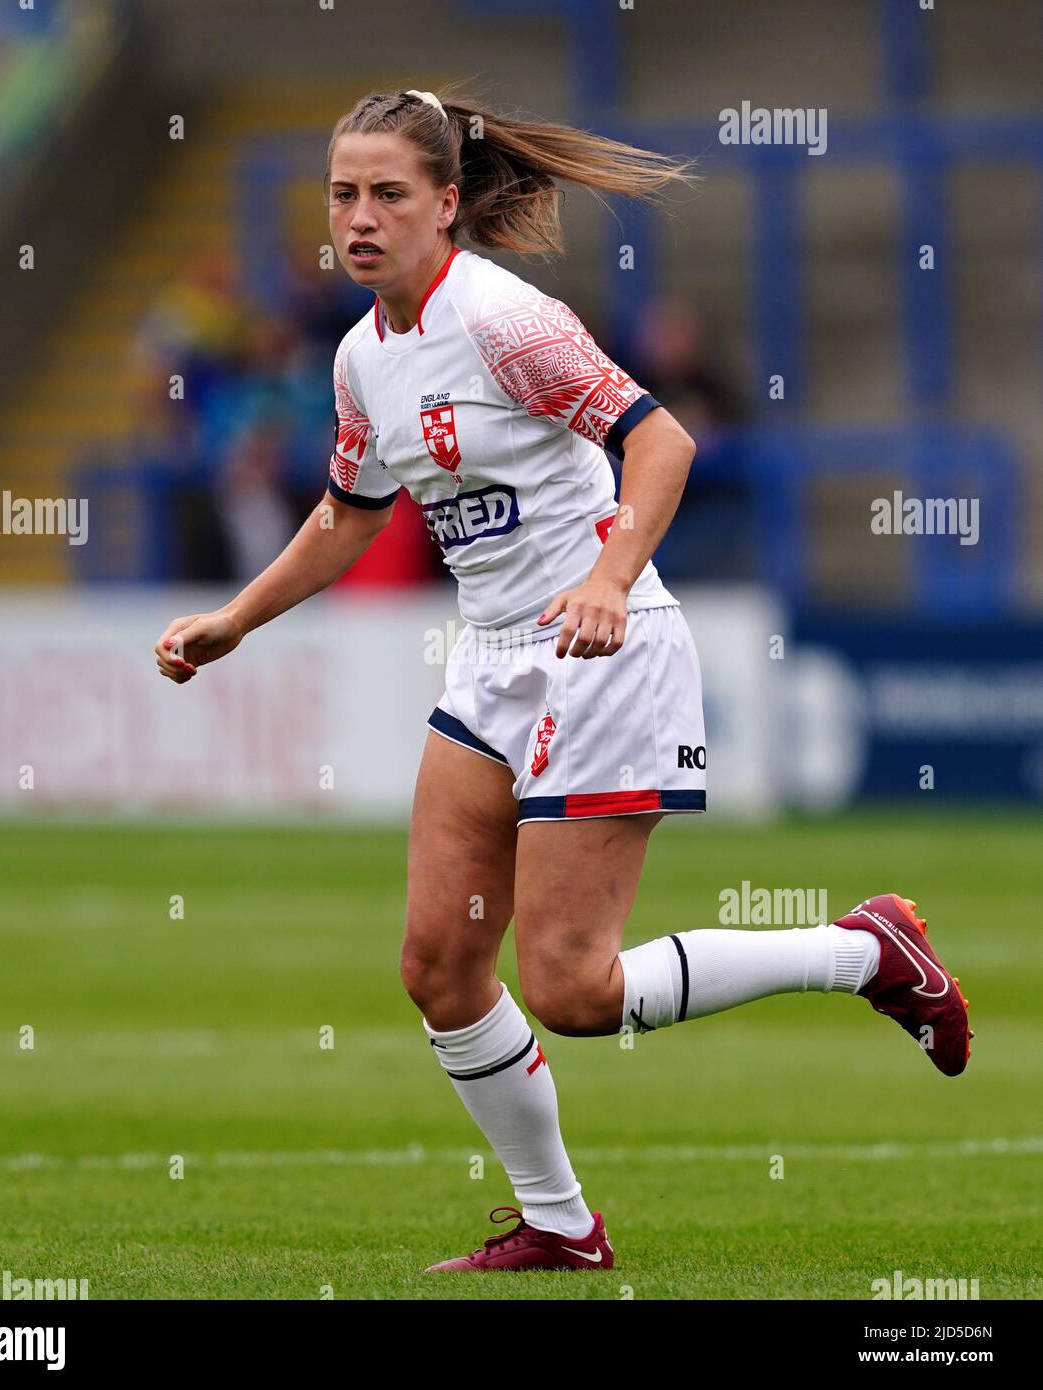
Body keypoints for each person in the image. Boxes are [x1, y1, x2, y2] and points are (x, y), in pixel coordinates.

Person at [154, 87, 973, 1274]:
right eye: (343, 194)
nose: (361, 217)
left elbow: (662, 439)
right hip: (491, 660)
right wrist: (236, 620)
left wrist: (606, 573)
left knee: (574, 992)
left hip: (606, 645)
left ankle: (866, 952)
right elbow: (346, 512)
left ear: (446, 204)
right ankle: (558, 1225)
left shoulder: (503, 318)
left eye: (389, 193)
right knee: (438, 965)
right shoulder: (357, 356)